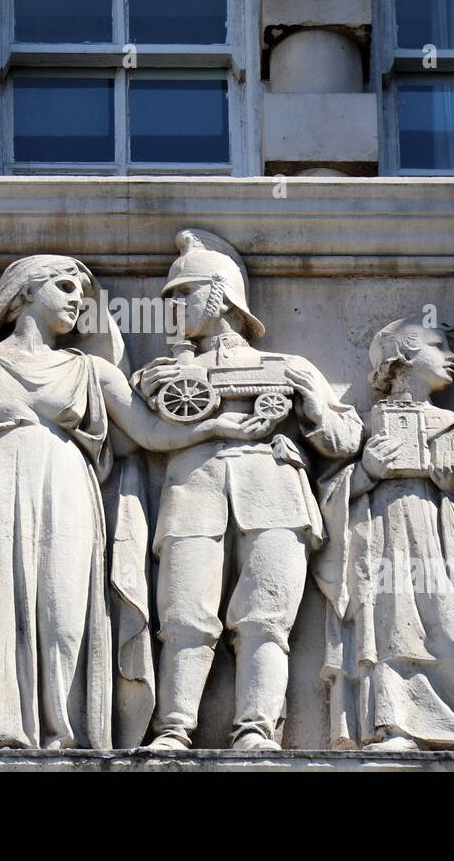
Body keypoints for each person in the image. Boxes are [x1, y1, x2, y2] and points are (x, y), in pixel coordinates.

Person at [0, 254, 275, 750]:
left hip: (68, 492)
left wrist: (214, 426)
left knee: (65, 609)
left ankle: (65, 735)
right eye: (65, 286)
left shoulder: (90, 369)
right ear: (24, 292)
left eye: (81, 292)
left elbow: (150, 431)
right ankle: (1, 732)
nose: (77, 300)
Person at [134, 230, 363, 751]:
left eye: (183, 295)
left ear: (220, 295)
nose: (173, 309)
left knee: (266, 617)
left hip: (275, 493)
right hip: (193, 493)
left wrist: (313, 406)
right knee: (184, 614)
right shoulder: (163, 372)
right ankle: (173, 728)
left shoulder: (290, 367)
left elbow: (346, 441)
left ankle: (257, 730)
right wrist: (151, 386)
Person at [316, 315, 454, 751]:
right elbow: (326, 496)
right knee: (391, 626)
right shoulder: (365, 425)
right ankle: (394, 724)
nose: (451, 355)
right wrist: (365, 472)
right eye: (438, 346)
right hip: (385, 536)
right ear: (402, 357)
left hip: (445, 540)